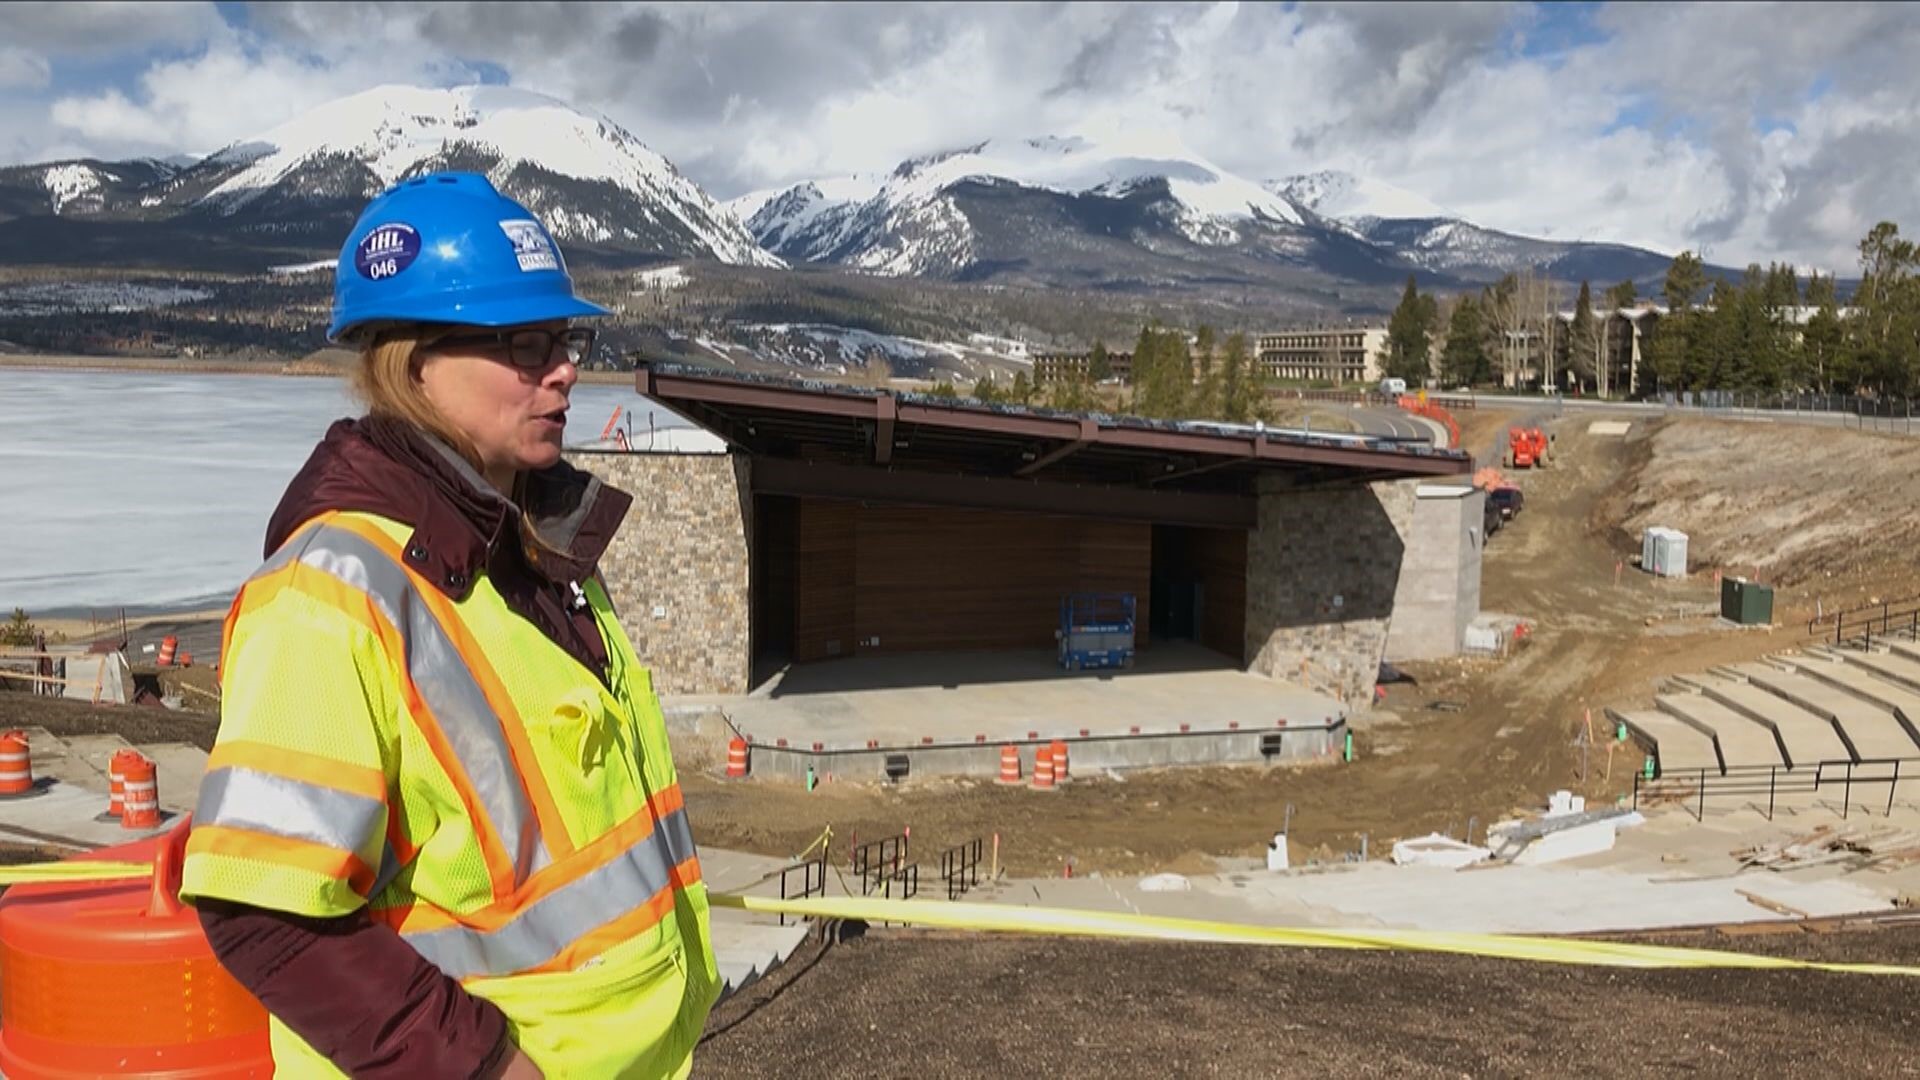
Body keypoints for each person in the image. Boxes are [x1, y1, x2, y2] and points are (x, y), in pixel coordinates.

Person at [181, 172, 718, 1078]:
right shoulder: (333, 594)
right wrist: (481, 1069)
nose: (566, 369)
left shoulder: (534, 550)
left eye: (568, 338)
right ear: (413, 360)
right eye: (525, 343)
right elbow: (263, 915)